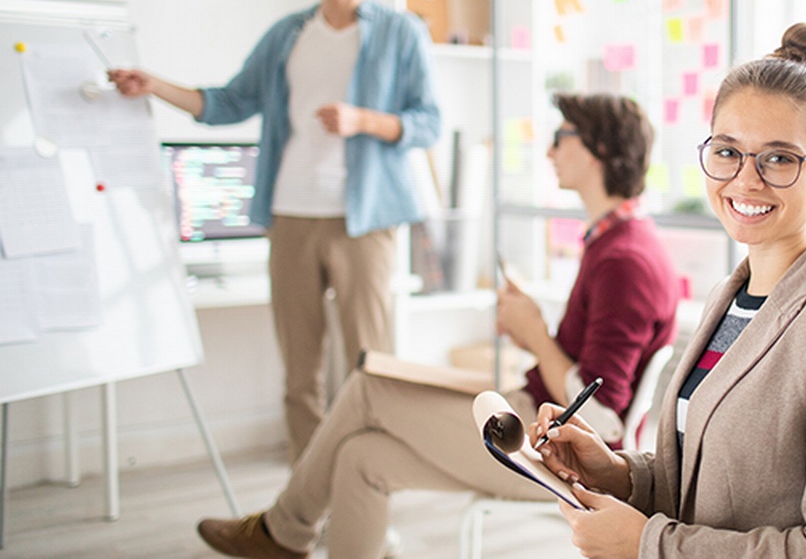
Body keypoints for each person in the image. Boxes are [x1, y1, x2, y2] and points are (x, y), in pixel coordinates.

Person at [194, 92, 681, 558]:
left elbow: (604, 421)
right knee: (362, 457)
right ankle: (286, 534)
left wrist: (534, 332)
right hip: (534, 423)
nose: (551, 148)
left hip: (553, 456)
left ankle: (283, 532)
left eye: (562, 134)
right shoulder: (619, 242)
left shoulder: (625, 260)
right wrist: (531, 327)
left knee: (369, 390)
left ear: (598, 149)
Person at [530, 23, 806, 557]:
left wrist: (648, 544)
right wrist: (616, 472)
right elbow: (703, 482)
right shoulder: (729, 299)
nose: (746, 180)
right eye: (728, 151)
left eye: (779, 158)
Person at [108, 0, 441, 462]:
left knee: (373, 368)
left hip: (367, 221)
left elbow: (428, 124)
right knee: (299, 373)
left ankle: (367, 502)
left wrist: (363, 120)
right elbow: (227, 103)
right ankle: (304, 512)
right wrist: (154, 85)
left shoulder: (399, 33)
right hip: (290, 217)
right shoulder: (287, 36)